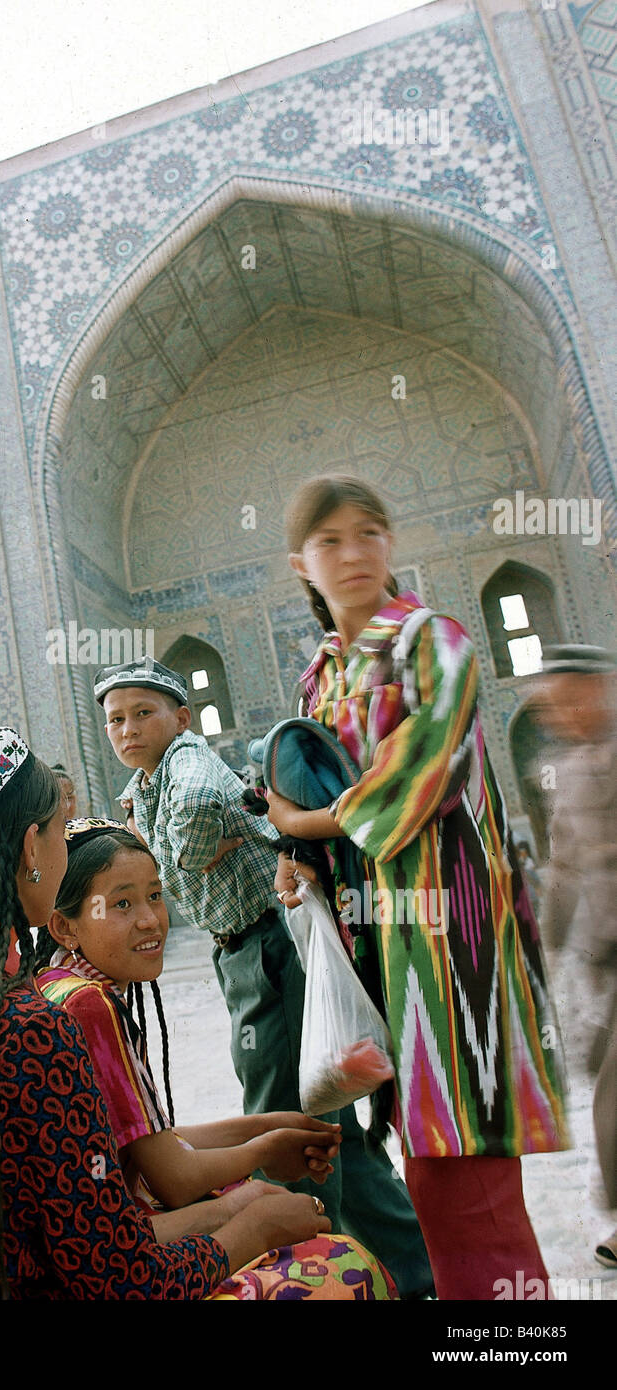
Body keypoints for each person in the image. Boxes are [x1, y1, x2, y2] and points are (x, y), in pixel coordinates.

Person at [0, 726, 327, 1299]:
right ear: (32, 847)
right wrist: (253, 1229)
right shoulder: (25, 1029)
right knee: (334, 1271)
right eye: (60, 829)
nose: (150, 917)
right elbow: (122, 1282)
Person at [263, 473, 569, 1300]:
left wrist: (299, 826)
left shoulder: (435, 641)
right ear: (302, 563)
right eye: (331, 541)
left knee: (472, 1191)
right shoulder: (320, 678)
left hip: (454, 947)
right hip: (380, 957)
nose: (355, 553)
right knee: (430, 1178)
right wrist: (297, 862)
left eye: (370, 532)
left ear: (391, 543)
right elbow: (309, 788)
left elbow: (415, 778)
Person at [97, 655, 434, 1298]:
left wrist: (169, 852)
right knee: (330, 1130)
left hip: (266, 950)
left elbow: (188, 832)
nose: (129, 729)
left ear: (181, 716)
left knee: (284, 1125)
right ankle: (415, 1279)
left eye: (144, 713)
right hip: (252, 949)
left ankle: (309, 1278)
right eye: (116, 719)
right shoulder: (149, 782)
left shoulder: (187, 765)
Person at [32, 816, 399, 1300]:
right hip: (111, 1261)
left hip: (99, 1239)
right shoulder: (90, 1006)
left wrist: (261, 1128)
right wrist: (263, 1160)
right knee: (343, 1265)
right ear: (65, 927)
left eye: (155, 896)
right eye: (121, 903)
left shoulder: (53, 987)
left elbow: (144, 1144)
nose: (149, 919)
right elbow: (174, 1179)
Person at [534, 643, 617, 1269]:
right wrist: (548, 946)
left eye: (570, 699)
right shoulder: (564, 769)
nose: (562, 714)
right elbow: (562, 870)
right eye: (552, 705)